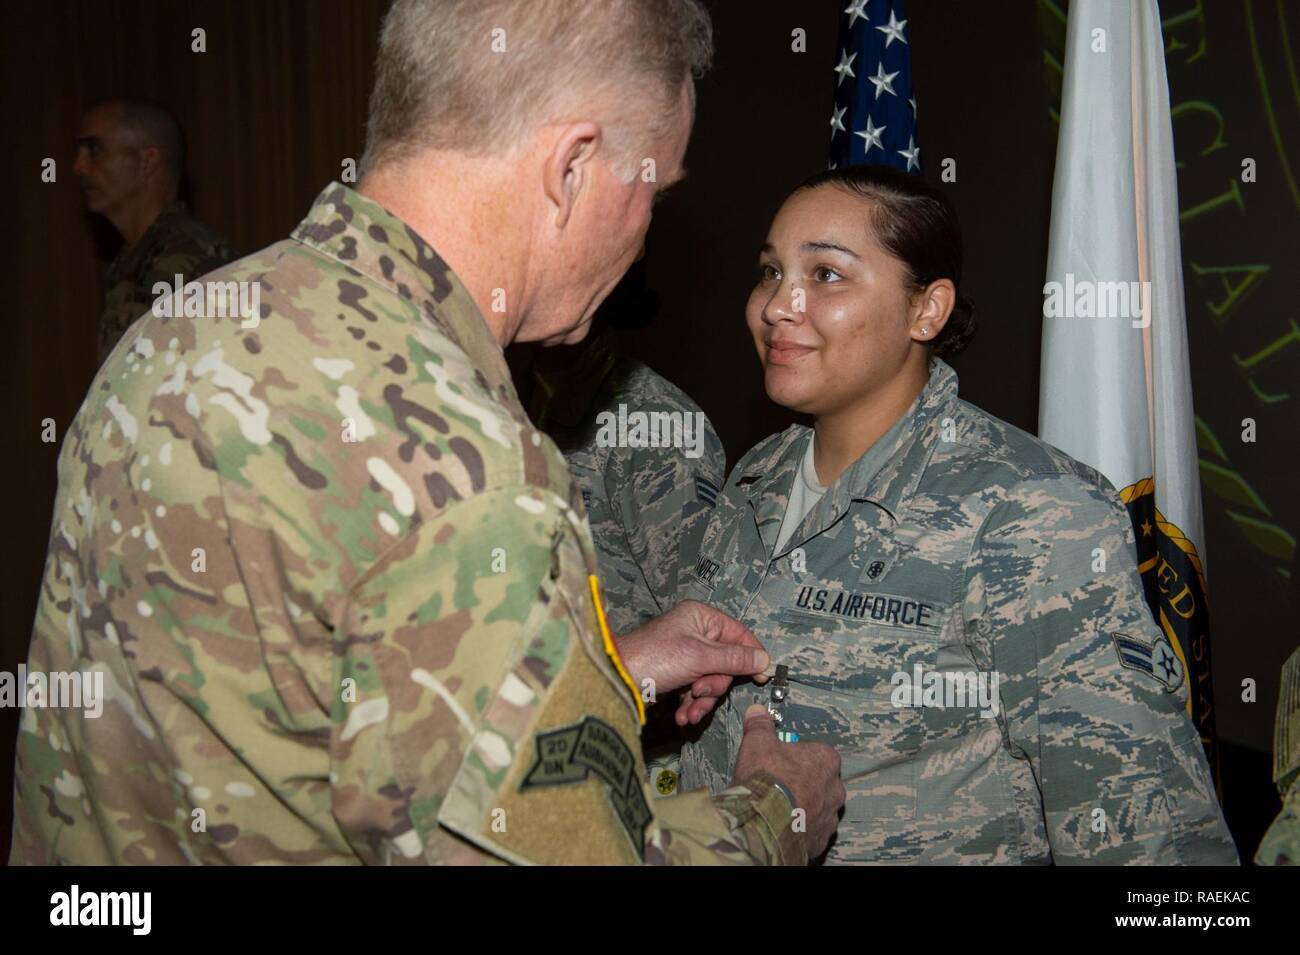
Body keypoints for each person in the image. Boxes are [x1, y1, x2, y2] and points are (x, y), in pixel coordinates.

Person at [11, 0, 843, 866]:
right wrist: (773, 814)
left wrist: (601, 673)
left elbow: (282, 697)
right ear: (573, 166)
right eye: (652, 190)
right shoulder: (468, 464)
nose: (644, 235)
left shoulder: (176, 335)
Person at [679, 164, 1238, 864]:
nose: (775, 306)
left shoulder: (1030, 509)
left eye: (825, 275)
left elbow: (1150, 837)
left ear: (927, 310)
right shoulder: (753, 480)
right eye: (769, 271)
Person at [525, 268, 727, 797]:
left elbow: (704, 624)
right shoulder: (518, 406)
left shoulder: (652, 427)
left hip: (630, 764)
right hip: (538, 737)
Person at [74, 98, 236, 365]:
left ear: (146, 162)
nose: (78, 166)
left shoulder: (198, 257)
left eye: (94, 150)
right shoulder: (130, 261)